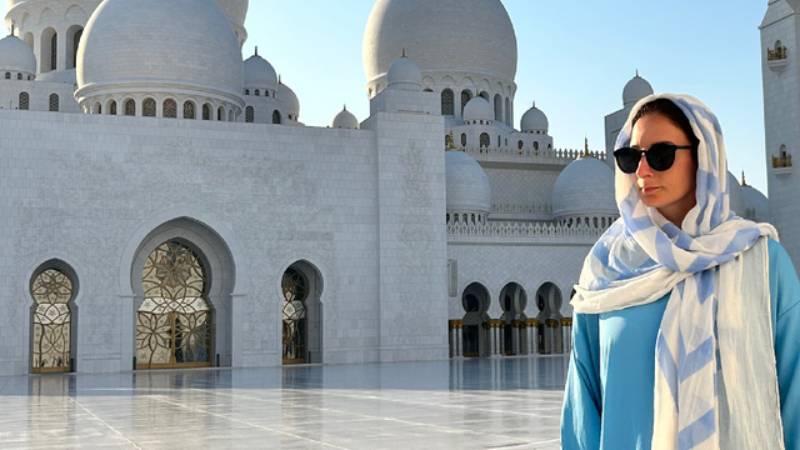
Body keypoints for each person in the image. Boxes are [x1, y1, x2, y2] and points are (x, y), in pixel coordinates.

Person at [560, 94, 800, 449]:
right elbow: (582, 408)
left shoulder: (761, 261)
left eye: (661, 155)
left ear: (703, 155)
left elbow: (794, 394)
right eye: (630, 158)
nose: (643, 171)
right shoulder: (606, 270)